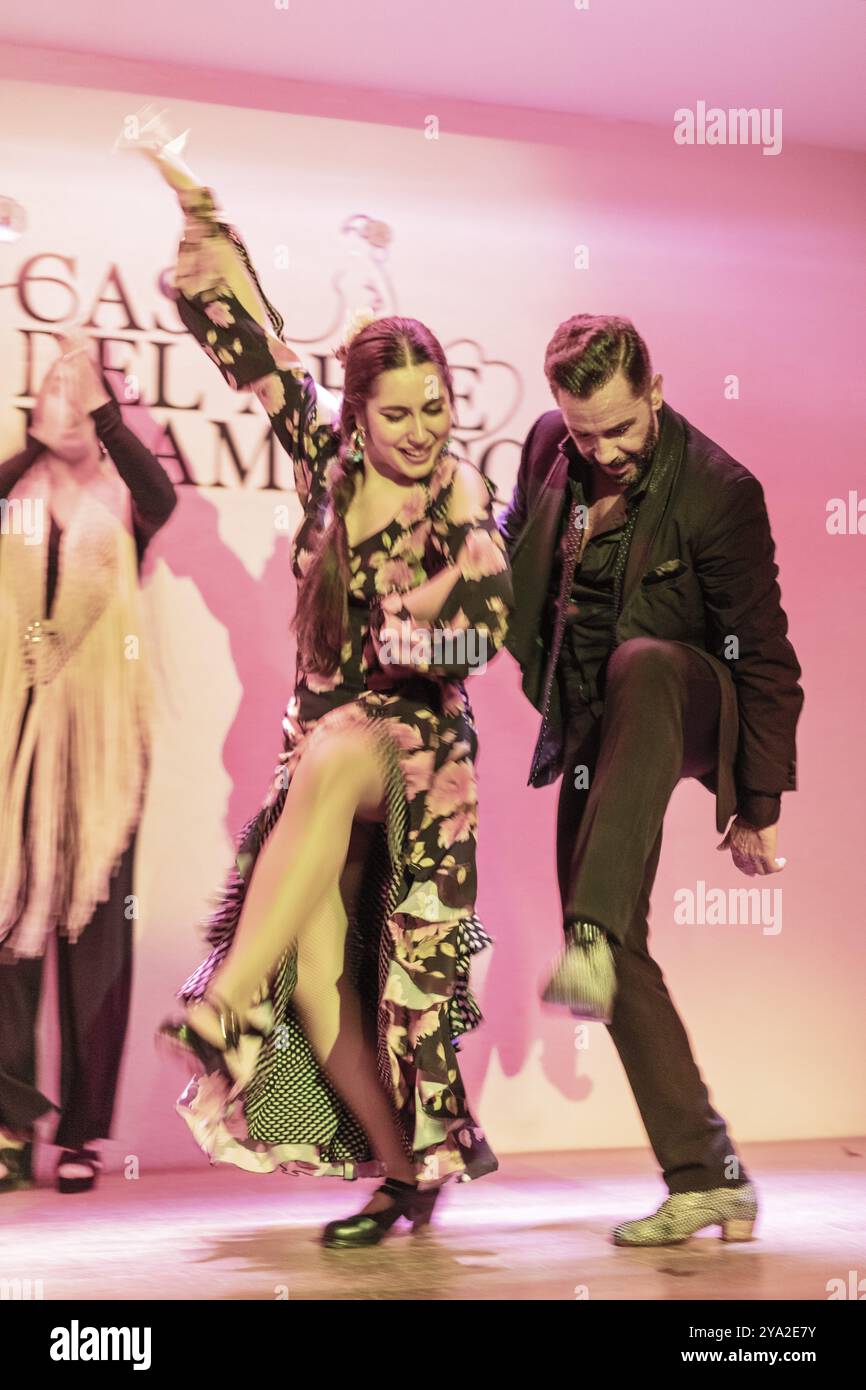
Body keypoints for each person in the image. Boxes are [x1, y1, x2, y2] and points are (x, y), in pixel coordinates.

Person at [133, 128, 512, 1248]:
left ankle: (214, 1009)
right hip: (322, 759)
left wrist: (416, 643)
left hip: (416, 766)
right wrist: (204, 219)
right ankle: (401, 1176)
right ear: (353, 413)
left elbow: (484, 639)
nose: (419, 429)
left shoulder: (463, 501)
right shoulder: (325, 453)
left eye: (434, 405)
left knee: (349, 746)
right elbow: (246, 343)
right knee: (313, 981)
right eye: (395, 412)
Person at [499, 314, 803, 1246]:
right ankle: (709, 1177)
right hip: (602, 719)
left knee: (648, 663)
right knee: (611, 944)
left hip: (690, 693)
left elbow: (766, 661)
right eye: (587, 432)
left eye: (622, 429)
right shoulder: (553, 444)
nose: (605, 449)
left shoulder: (718, 492)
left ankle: (591, 934)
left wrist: (759, 806)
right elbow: (518, 549)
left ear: (656, 391)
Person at [0, 332, 177, 1193]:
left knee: (95, 944)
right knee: (9, 935)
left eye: (81, 395)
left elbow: (162, 491)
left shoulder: (122, 499)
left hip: (103, 758)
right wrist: (37, 432)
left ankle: (82, 1136)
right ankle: (7, 1123)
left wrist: (100, 408)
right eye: (50, 393)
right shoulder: (16, 494)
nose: (62, 402)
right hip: (13, 753)